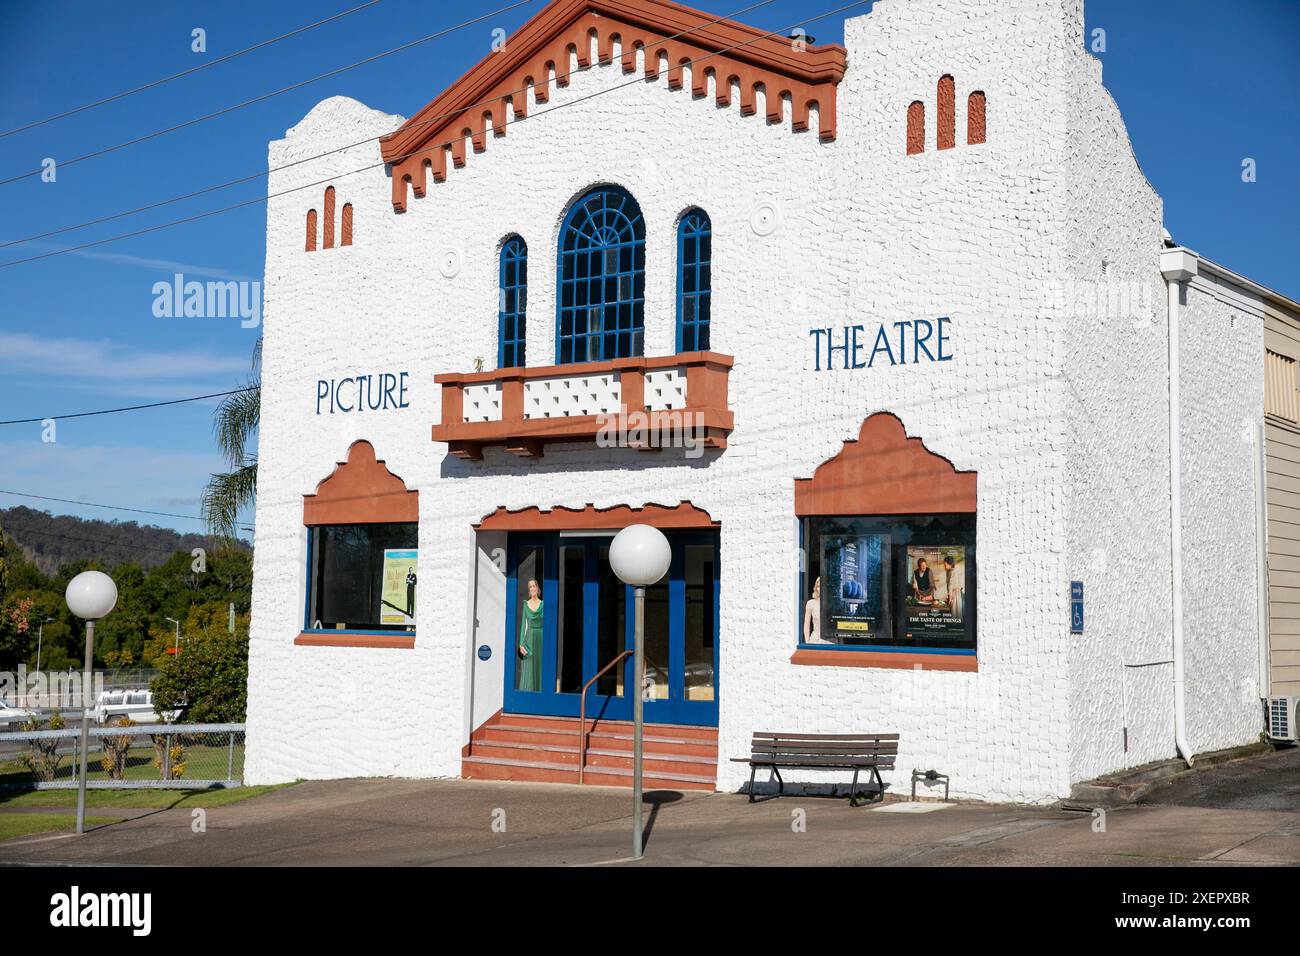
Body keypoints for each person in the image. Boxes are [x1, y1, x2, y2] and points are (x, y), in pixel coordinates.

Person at [517, 579, 543, 691]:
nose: (532, 588)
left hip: (541, 637)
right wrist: (521, 644)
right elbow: (524, 625)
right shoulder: (526, 604)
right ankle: (528, 696)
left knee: (540, 665)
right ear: (529, 590)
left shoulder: (543, 604)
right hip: (529, 637)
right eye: (530, 587)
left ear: (537, 588)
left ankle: (541, 694)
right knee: (529, 666)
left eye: (534, 586)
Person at [803, 576, 824, 644]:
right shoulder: (810, 603)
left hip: (831, 643)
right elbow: (807, 624)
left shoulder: (833, 603)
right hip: (815, 641)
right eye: (818, 586)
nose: (819, 589)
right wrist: (807, 642)